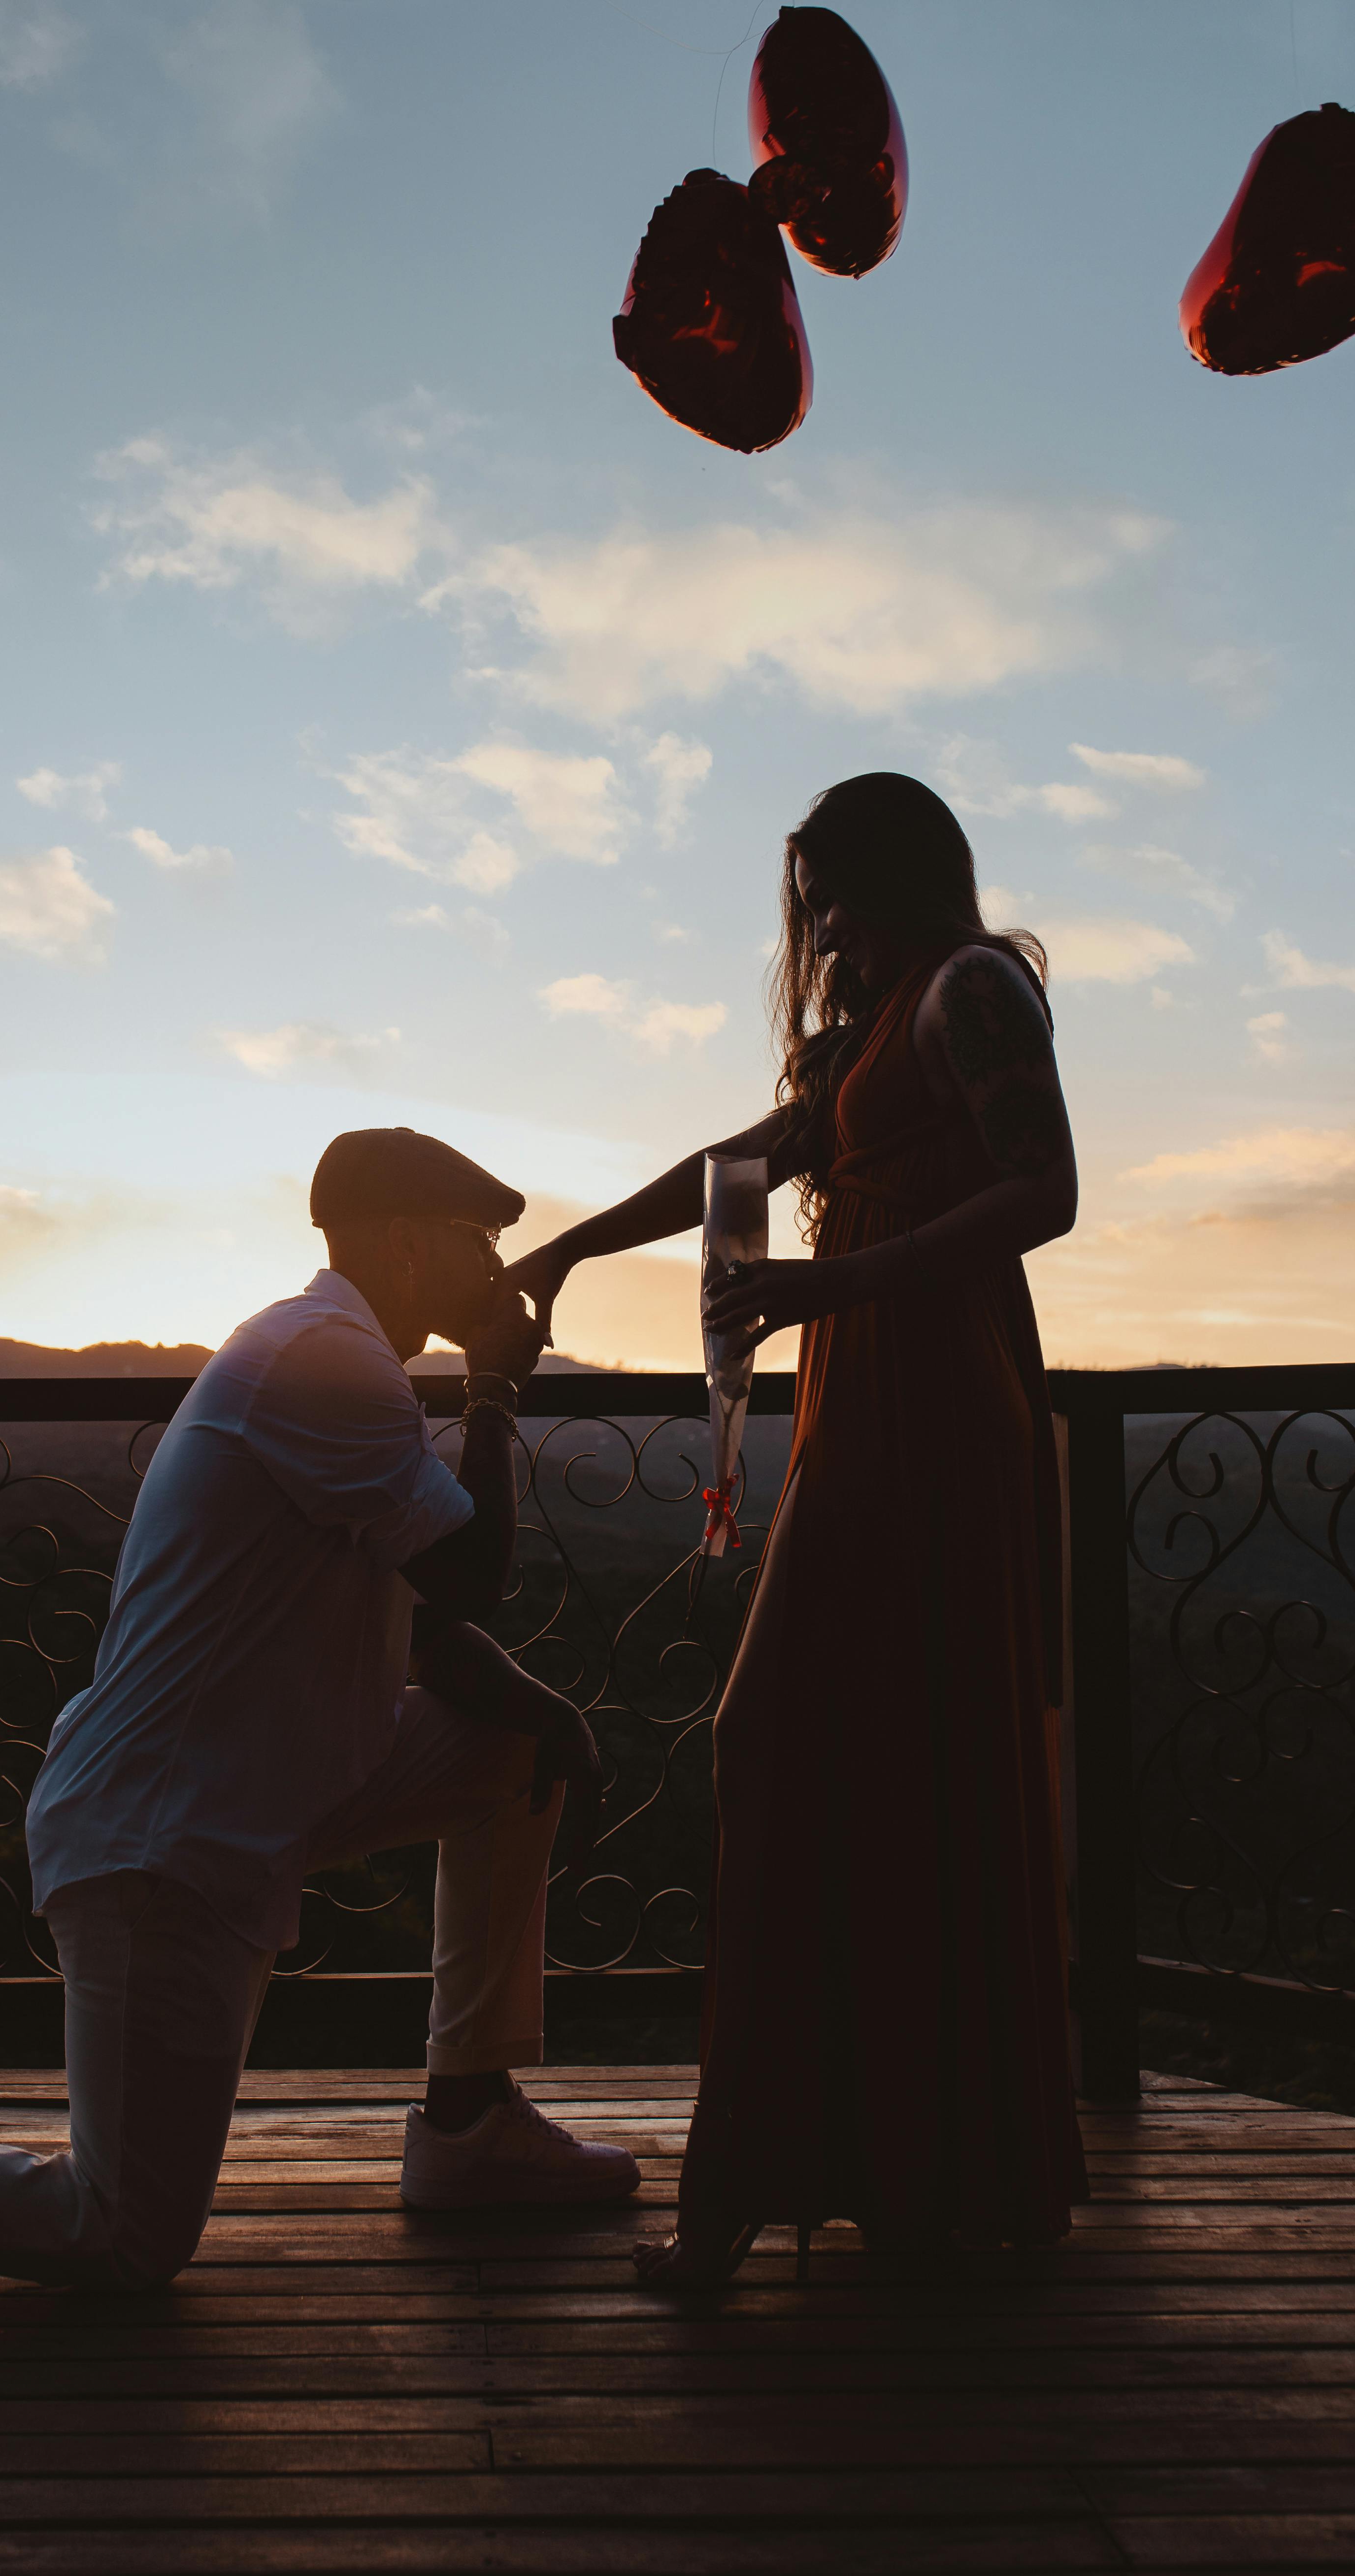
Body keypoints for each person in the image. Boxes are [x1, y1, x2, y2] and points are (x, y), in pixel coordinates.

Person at [0, 1127, 639, 2288]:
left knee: (509, 1749)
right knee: (122, 2230)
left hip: (265, 1783)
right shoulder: (327, 1362)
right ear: (403, 1244)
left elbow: (428, 1620)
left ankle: (469, 2125)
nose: (498, 1261)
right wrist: (494, 1388)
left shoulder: (337, 1361)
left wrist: (547, 1713)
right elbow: (473, 1569)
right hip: (168, 1836)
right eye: (477, 1236)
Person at [508, 773, 1089, 2279]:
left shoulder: (971, 989)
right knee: (847, 1746)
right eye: (812, 896)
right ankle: (879, 2160)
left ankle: (763, 2190)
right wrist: (571, 1245)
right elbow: (740, 1169)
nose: (820, 921)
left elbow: (1048, 1188)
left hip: (942, 1394)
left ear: (899, 876)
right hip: (862, 1394)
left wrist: (831, 1287)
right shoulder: (870, 1033)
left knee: (793, 1732)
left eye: (834, 888)